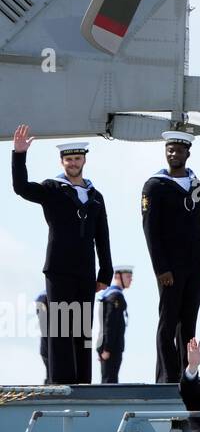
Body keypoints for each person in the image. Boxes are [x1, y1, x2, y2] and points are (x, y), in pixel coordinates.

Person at [11, 129, 113, 384]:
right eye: (68, 160)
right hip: (58, 269)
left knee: (82, 329)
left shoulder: (95, 196)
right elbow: (21, 188)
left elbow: (103, 236)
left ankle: (82, 384)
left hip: (86, 271)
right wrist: (19, 155)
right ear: (62, 162)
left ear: (84, 161)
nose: (73, 163)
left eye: (77, 159)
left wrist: (106, 272)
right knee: (59, 328)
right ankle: (61, 383)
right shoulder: (52, 189)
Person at [143, 131, 200, 383]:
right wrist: (160, 268)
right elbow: (150, 230)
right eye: (170, 150)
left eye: (178, 150)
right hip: (170, 269)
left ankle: (188, 373)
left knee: (188, 324)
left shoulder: (196, 184)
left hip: (194, 266)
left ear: (188, 153)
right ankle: (166, 376)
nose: (174, 154)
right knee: (168, 322)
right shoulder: (155, 186)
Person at [96, 266, 133, 384]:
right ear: (117, 277)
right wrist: (107, 348)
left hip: (108, 346)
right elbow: (110, 324)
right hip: (112, 348)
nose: (130, 280)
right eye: (128, 277)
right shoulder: (115, 296)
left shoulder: (109, 295)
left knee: (108, 379)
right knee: (109, 382)